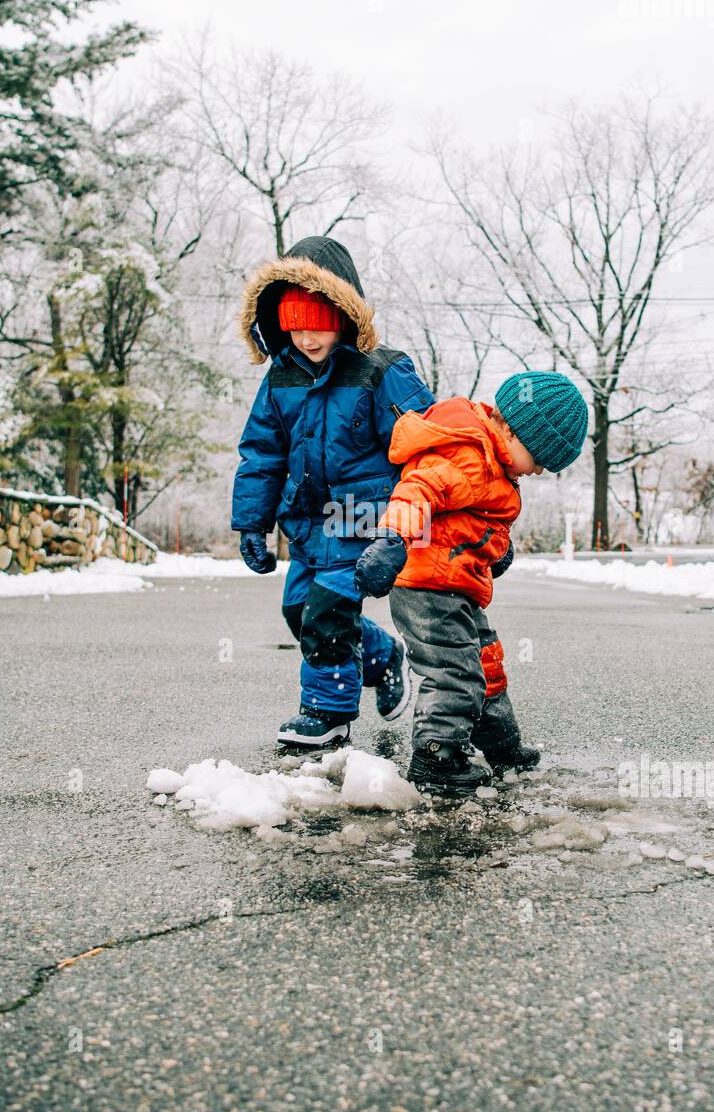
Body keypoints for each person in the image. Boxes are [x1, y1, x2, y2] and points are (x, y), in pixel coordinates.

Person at [231, 235, 434, 747]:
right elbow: (262, 451)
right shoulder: (281, 378)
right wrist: (253, 521)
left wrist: (410, 527)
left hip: (363, 520)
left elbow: (429, 445)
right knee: (299, 613)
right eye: (294, 325)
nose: (307, 338)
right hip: (307, 523)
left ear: (345, 313)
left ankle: (328, 712)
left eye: (318, 322)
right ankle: (382, 655)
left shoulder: (381, 371)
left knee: (326, 613)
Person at [354, 371, 589, 794]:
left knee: (485, 663)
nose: (536, 471)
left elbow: (473, 517)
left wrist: (495, 548)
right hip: (427, 588)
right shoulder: (468, 455)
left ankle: (500, 744)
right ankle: (436, 758)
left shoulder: (494, 463)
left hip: (455, 586)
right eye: (538, 458)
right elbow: (417, 492)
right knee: (454, 670)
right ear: (514, 430)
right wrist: (392, 540)